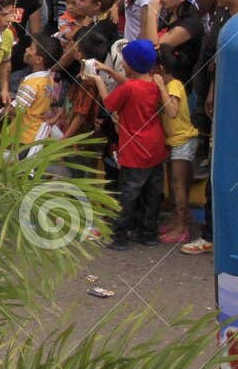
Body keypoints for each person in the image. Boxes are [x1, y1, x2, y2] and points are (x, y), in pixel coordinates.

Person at [84, 39, 167, 250]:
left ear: (130, 64)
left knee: (128, 195)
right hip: (155, 146)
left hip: (134, 149)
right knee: (152, 193)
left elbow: (110, 103)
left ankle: (119, 236)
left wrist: (99, 80)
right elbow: (129, 84)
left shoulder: (129, 88)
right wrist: (108, 71)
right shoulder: (154, 84)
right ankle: (148, 233)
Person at [152, 45, 198, 244]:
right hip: (172, 141)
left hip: (183, 140)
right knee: (172, 185)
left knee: (179, 185)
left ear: (161, 69)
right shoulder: (168, 85)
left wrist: (161, 87)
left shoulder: (174, 85)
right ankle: (176, 220)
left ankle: (182, 227)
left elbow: (172, 111)